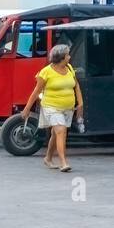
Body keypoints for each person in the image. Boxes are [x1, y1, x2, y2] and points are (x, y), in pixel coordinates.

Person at [21, 43, 84, 173]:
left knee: (56, 134)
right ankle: (63, 162)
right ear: (61, 57)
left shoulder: (70, 68)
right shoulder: (46, 72)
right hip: (51, 106)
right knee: (61, 131)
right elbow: (36, 91)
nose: (69, 57)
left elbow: (76, 86)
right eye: (67, 55)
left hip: (68, 107)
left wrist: (80, 104)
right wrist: (27, 108)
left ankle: (48, 158)